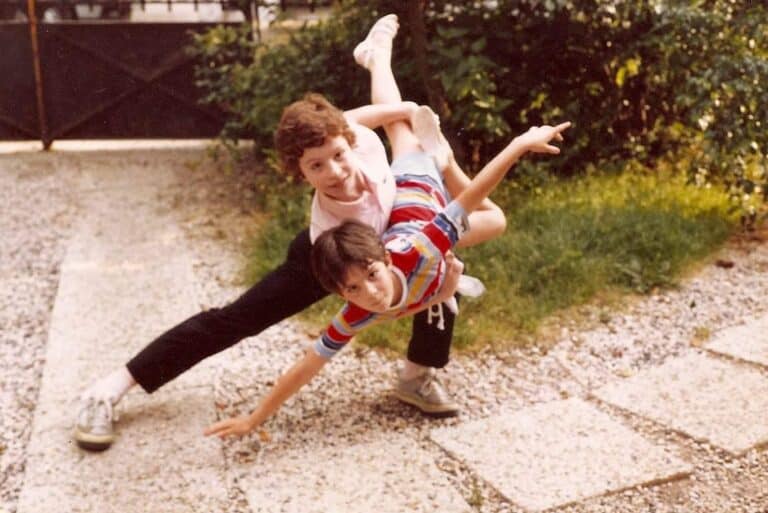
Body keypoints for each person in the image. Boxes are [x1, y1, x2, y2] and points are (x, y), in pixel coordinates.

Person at [73, 14, 503, 451]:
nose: (334, 172)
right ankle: (109, 388)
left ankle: (415, 378)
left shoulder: (362, 147)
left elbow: (360, 122)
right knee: (236, 320)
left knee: (441, 271)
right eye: (316, 166)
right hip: (333, 258)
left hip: (390, 243)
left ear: (347, 145)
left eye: (338, 156)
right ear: (299, 173)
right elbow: (374, 302)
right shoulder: (329, 228)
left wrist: (404, 106)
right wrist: (435, 288)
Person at [203, 108, 571, 439]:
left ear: (386, 262)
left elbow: (476, 191)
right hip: (414, 231)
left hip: (417, 182)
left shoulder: (420, 249)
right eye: (353, 288)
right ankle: (386, 72)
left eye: (372, 276)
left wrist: (521, 143)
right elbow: (308, 364)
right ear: (342, 293)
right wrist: (254, 418)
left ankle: (442, 158)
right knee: (463, 254)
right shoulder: (356, 309)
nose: (370, 293)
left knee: (477, 201)